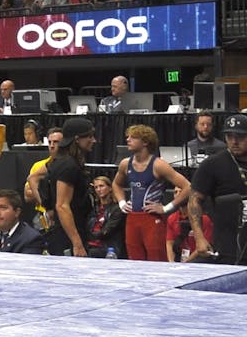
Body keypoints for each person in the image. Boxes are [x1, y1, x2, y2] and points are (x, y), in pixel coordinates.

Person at [111, 124, 191, 261]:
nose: (128, 140)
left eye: (133, 137)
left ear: (146, 142)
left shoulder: (158, 165)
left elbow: (187, 187)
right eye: (127, 137)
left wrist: (167, 208)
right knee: (134, 259)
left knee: (156, 259)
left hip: (152, 219)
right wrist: (122, 202)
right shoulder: (125, 164)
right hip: (132, 218)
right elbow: (116, 184)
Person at [188, 113, 247, 264]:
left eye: (240, 137)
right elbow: (194, 201)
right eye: (229, 136)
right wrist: (199, 238)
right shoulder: (213, 164)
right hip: (227, 242)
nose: (234, 141)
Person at [45, 117, 96, 257]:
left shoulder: (60, 162)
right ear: (77, 139)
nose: (94, 140)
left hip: (67, 232)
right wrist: (77, 244)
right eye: (89, 136)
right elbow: (62, 206)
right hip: (68, 237)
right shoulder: (68, 166)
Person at [85, 175, 126, 258]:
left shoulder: (117, 209)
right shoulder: (94, 209)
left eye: (101, 186)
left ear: (110, 188)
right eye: (96, 187)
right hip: (90, 246)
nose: (98, 190)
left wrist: (91, 236)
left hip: (108, 248)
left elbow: (107, 230)